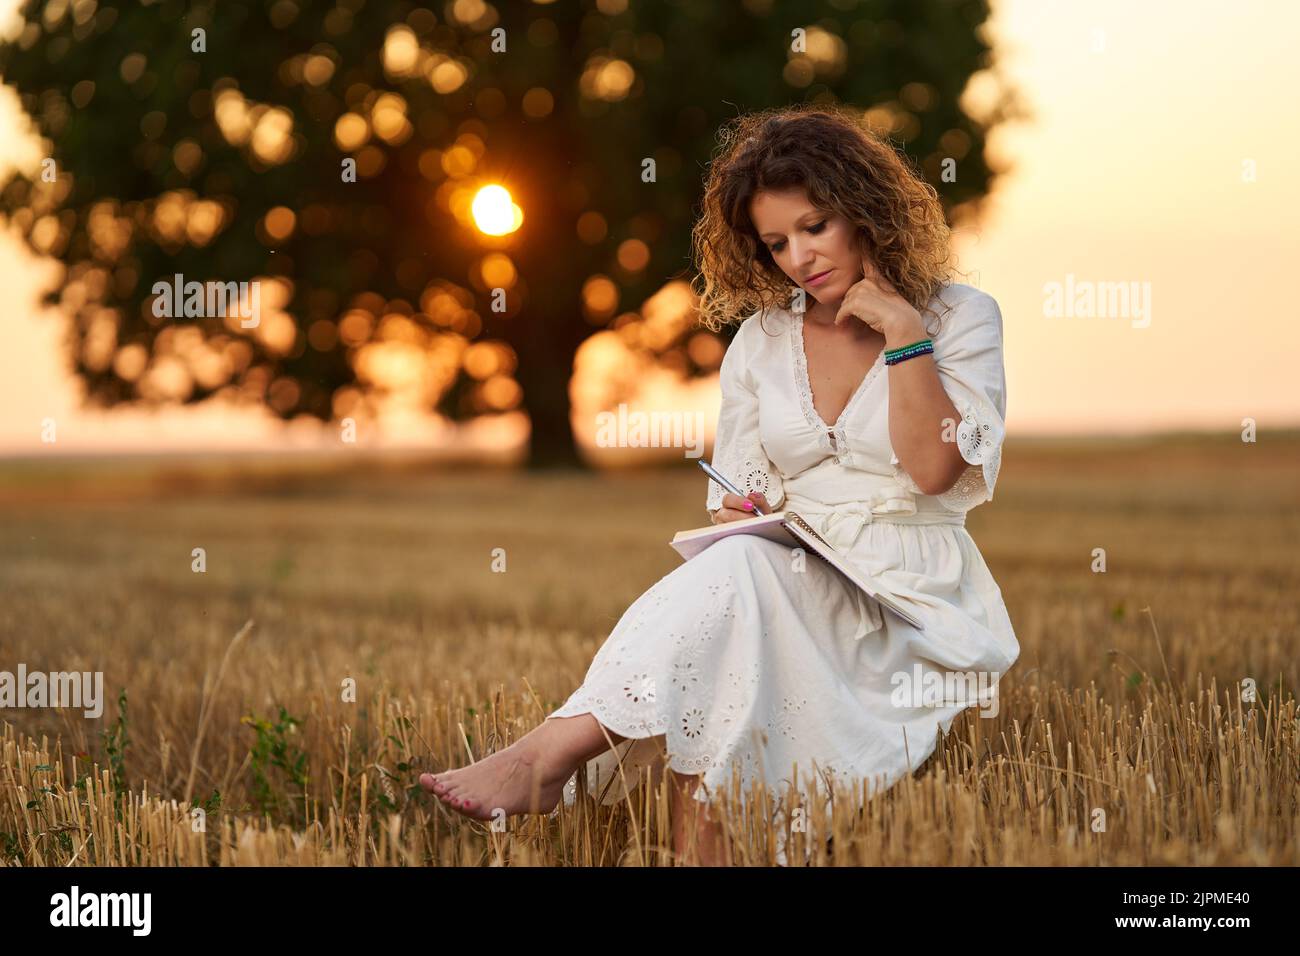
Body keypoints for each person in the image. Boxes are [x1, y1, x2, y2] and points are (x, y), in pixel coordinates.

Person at [419, 105, 1019, 866]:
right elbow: (738, 491)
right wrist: (745, 509)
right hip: (794, 574)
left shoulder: (959, 317)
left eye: (815, 226)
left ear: (865, 210)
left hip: (911, 599)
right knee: (735, 572)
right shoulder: (763, 341)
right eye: (776, 243)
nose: (799, 257)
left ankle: (550, 753)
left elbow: (935, 471)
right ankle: (666, 830)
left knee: (738, 585)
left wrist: (906, 337)